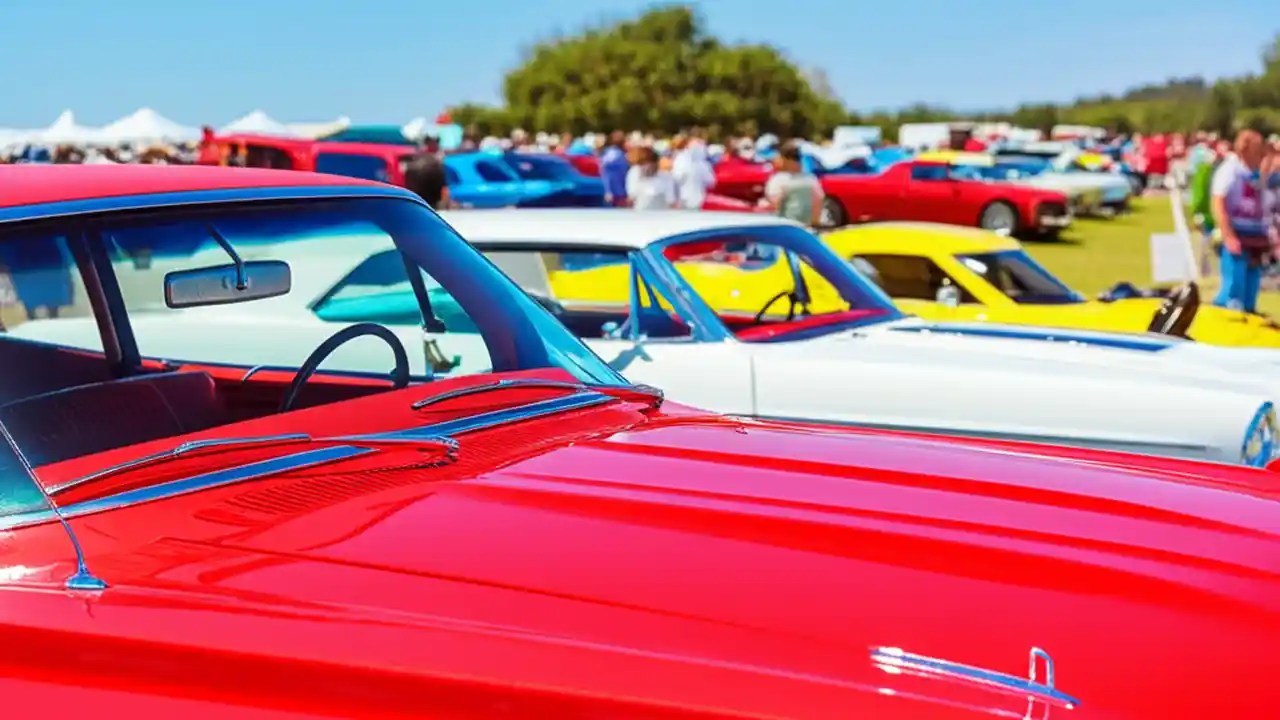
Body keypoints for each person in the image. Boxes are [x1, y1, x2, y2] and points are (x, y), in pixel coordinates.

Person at [1211, 130, 1268, 312]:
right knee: (1234, 285)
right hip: (1236, 233)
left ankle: (1249, 314)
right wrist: (1228, 236)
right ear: (1245, 149)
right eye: (1258, 148)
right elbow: (1218, 202)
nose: (1261, 153)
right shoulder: (1230, 169)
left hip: (1256, 235)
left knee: (1251, 284)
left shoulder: (1257, 172)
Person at [763, 140, 824, 227]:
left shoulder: (779, 180)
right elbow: (818, 204)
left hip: (787, 230)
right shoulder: (812, 180)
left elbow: (773, 206)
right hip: (809, 230)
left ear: (784, 159)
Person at [670, 133, 716, 210]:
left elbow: (676, 178)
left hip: (687, 198)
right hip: (694, 199)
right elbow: (711, 182)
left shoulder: (681, 159)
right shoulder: (703, 165)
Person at [624, 146, 676, 210]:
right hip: (640, 213)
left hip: (661, 214)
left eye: (645, 163)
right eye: (641, 164)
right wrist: (642, 180)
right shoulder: (634, 172)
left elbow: (670, 200)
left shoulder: (666, 177)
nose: (644, 167)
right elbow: (632, 195)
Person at [599, 130, 630, 207]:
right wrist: (608, 191)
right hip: (616, 192)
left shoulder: (610, 154)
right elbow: (607, 173)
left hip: (617, 191)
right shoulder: (615, 155)